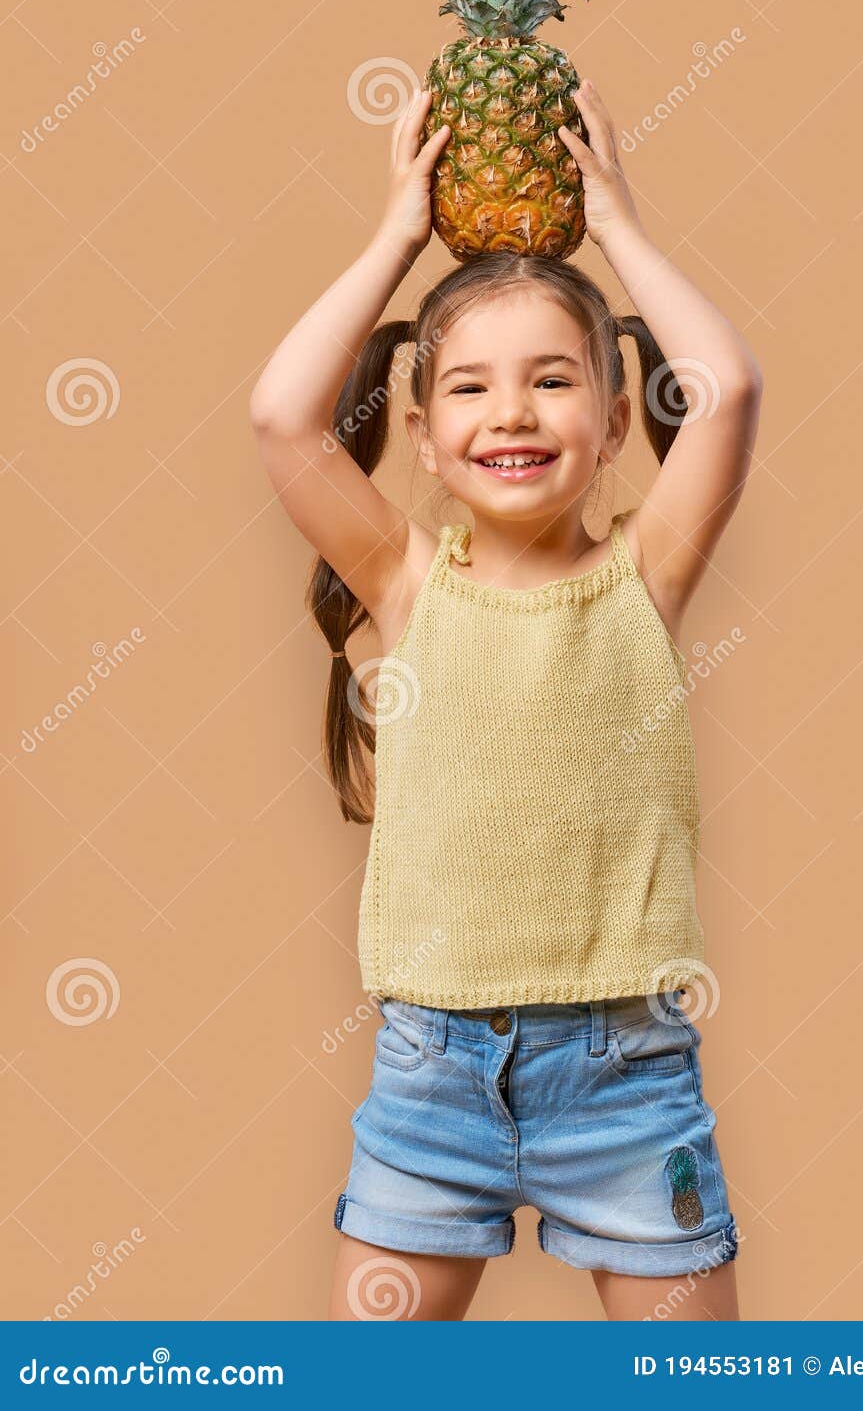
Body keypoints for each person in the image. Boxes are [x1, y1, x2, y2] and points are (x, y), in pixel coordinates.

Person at [249, 79, 763, 1321]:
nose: (513, 413)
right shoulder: (406, 579)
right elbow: (282, 416)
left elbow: (731, 388)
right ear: (422, 435)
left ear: (614, 417)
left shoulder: (646, 575)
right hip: (433, 1076)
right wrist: (396, 236)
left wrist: (619, 228)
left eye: (552, 380)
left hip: (626, 1074)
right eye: (469, 389)